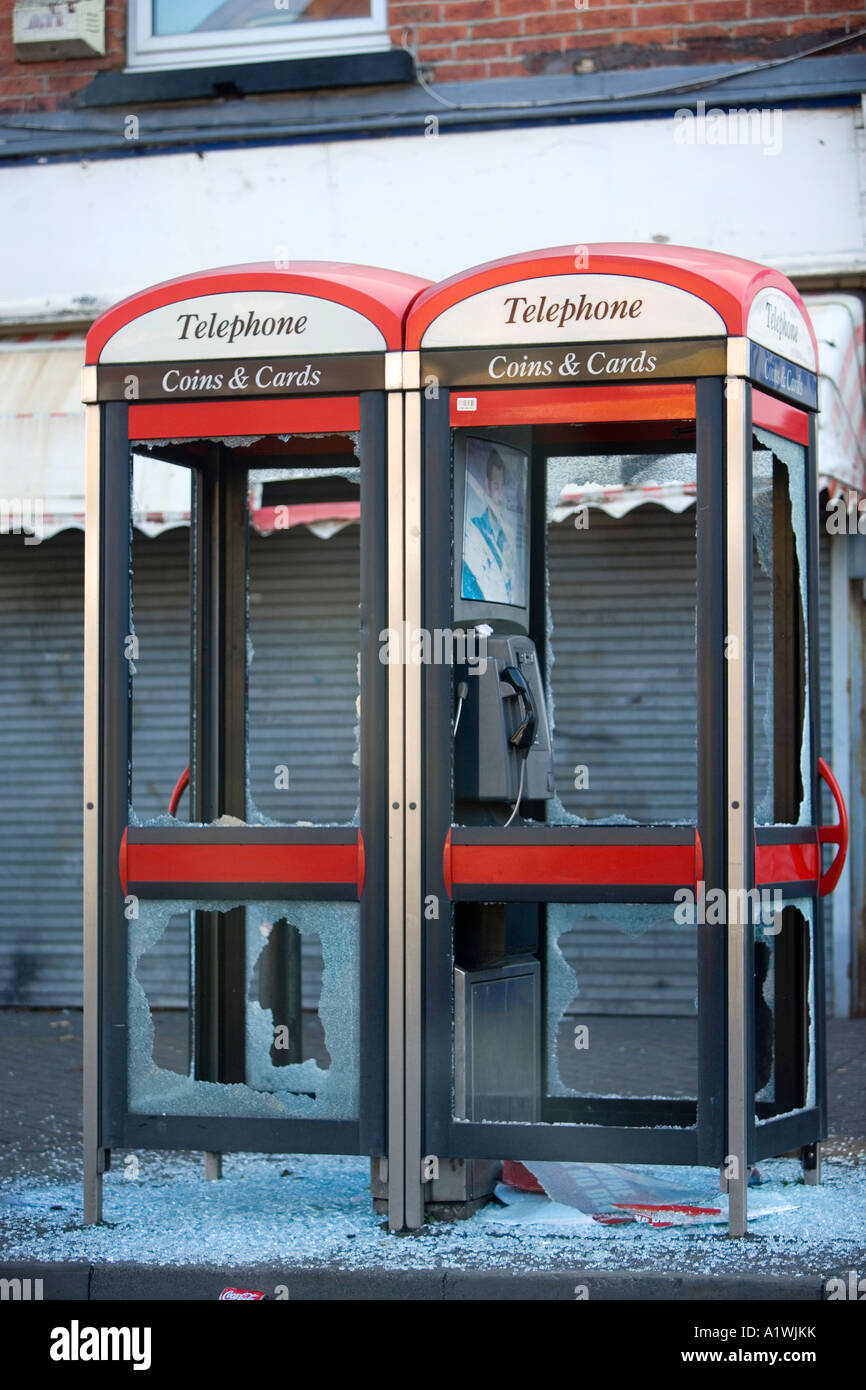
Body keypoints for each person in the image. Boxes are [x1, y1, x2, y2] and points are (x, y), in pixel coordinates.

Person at [461, 447, 517, 604]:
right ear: (487, 486)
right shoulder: (473, 530)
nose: (500, 496)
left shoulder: (509, 538)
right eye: (496, 487)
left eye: (503, 489)